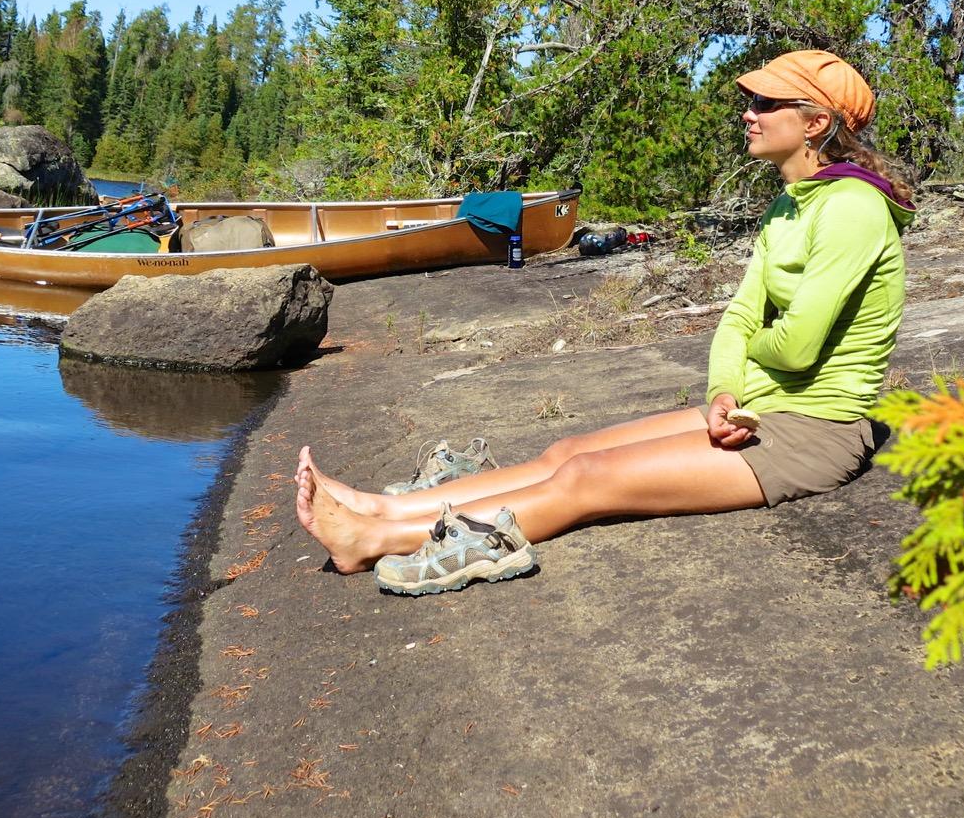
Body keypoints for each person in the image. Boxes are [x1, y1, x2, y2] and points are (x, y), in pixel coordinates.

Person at [296, 49, 916, 594]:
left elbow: (800, 347)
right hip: (756, 406)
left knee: (588, 480)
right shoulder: (789, 204)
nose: (748, 111)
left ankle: (374, 539)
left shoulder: (853, 209)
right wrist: (724, 391)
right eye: (749, 99)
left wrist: (749, 353)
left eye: (765, 101)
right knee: (567, 450)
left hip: (812, 434)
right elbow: (740, 315)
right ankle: (378, 507)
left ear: (816, 123)